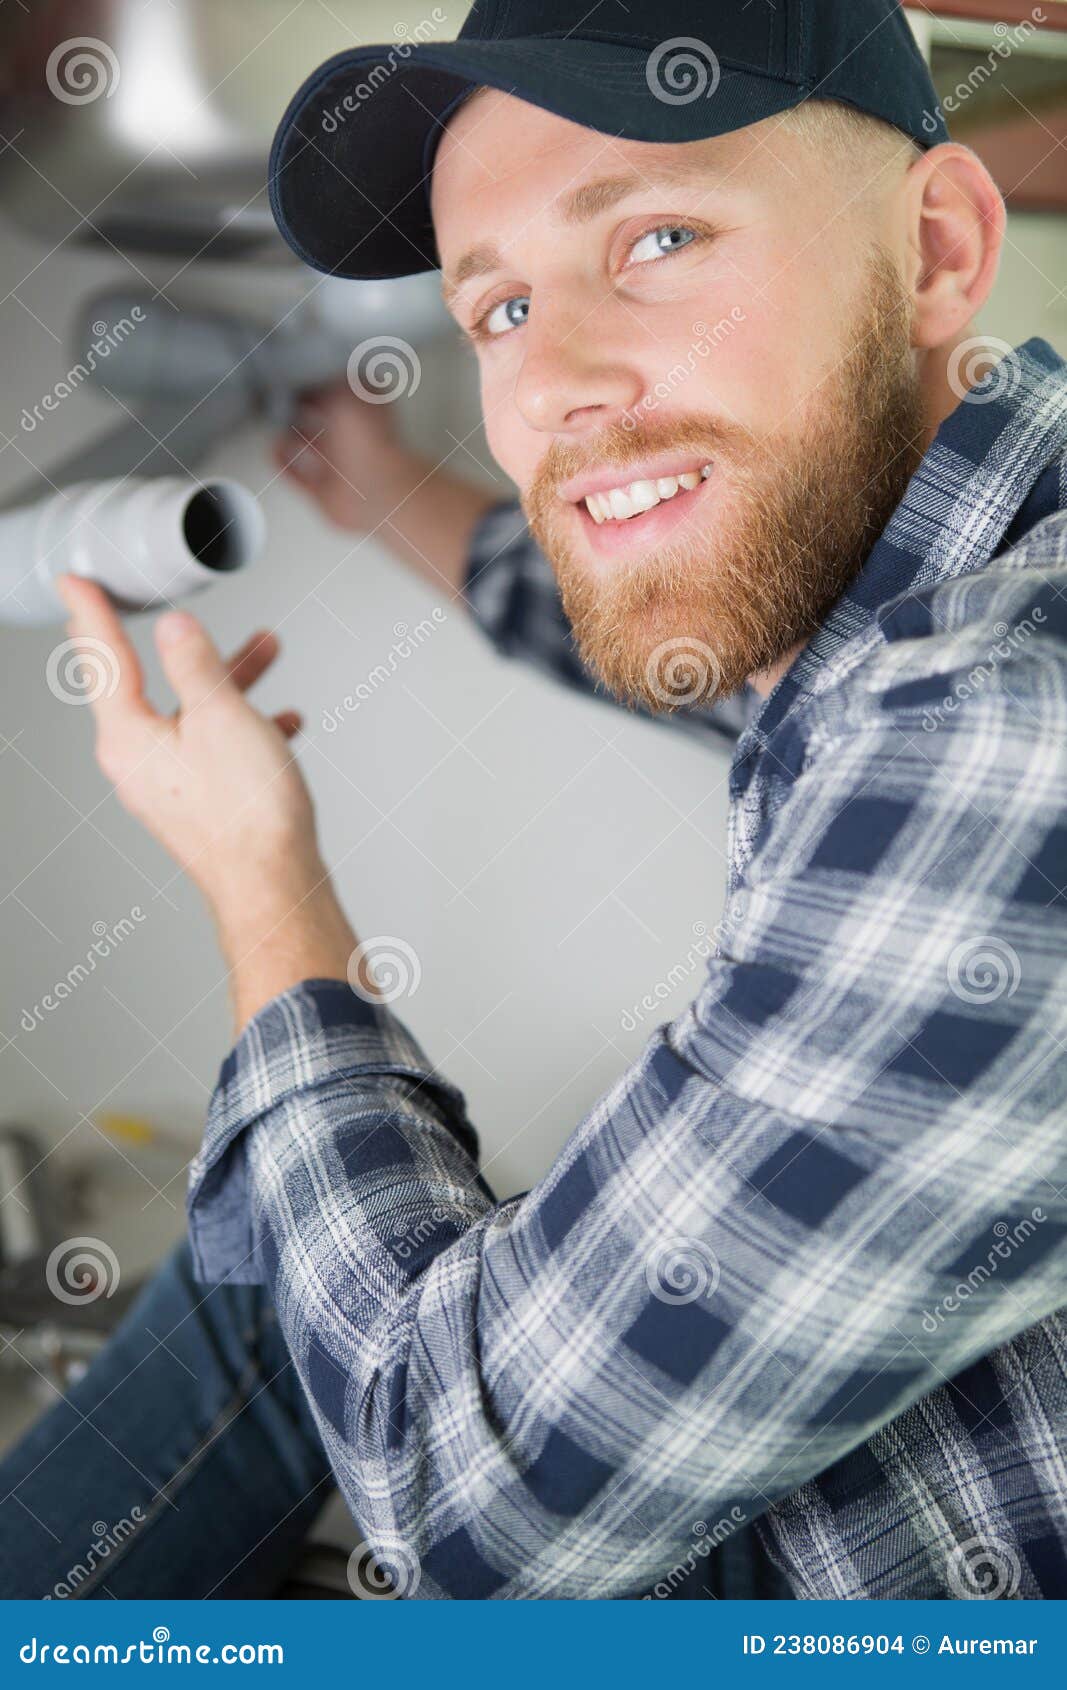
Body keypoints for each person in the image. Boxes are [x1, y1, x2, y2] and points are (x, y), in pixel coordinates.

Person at [3, 0, 1066, 1600]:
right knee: (276, 1278)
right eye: (493, 307)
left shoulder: (996, 741)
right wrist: (383, 494)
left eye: (653, 239)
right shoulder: (941, 593)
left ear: (937, 250)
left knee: (283, 1299)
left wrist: (258, 875)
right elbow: (715, 648)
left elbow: (465, 1509)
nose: (549, 381)